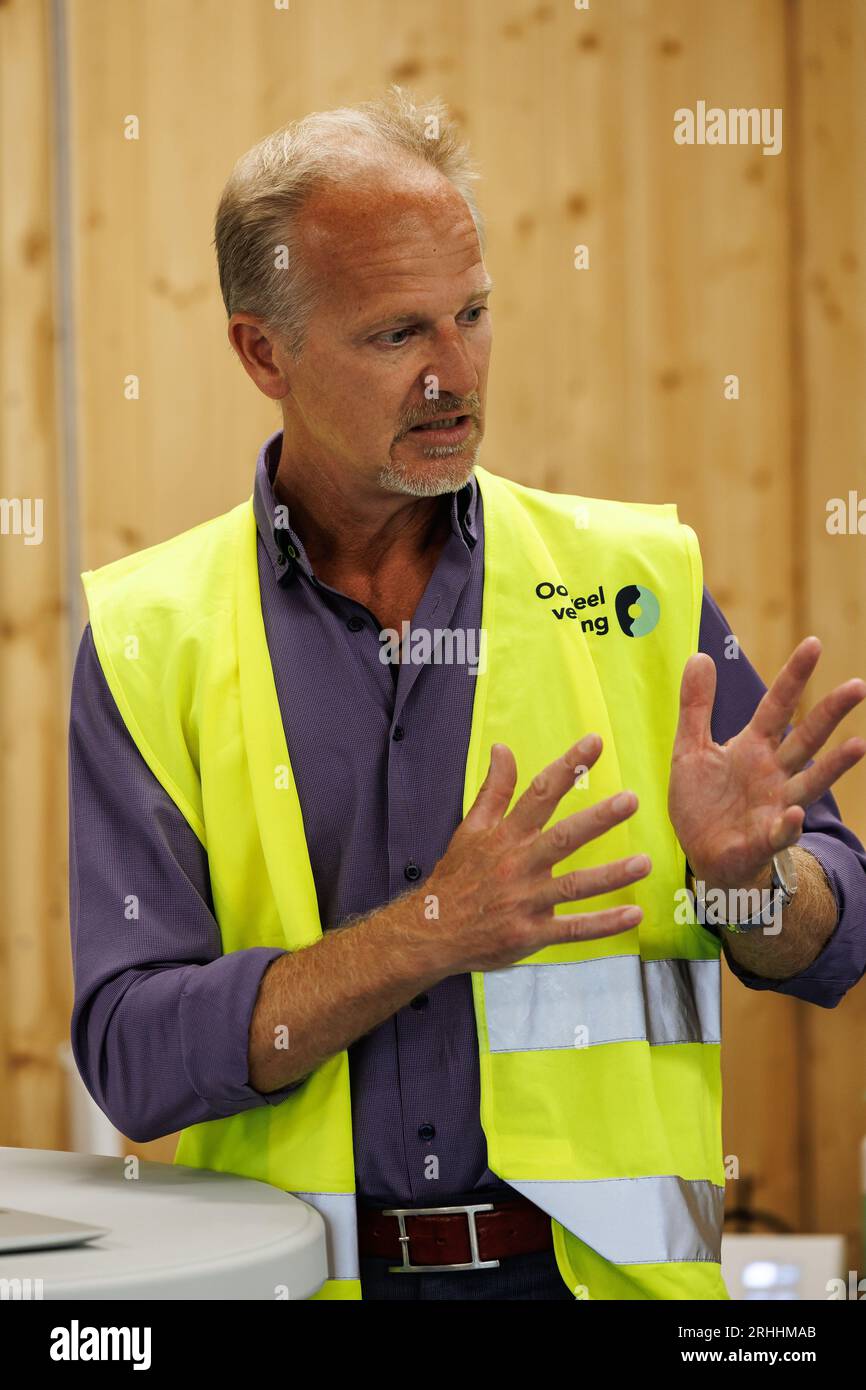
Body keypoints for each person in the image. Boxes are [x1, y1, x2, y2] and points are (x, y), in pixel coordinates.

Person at [69, 88, 866, 1301]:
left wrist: (744, 880)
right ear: (261, 350)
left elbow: (828, 941)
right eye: (396, 335)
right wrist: (424, 934)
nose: (453, 375)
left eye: (474, 316)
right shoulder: (149, 638)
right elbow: (133, 1058)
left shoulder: (634, 585)